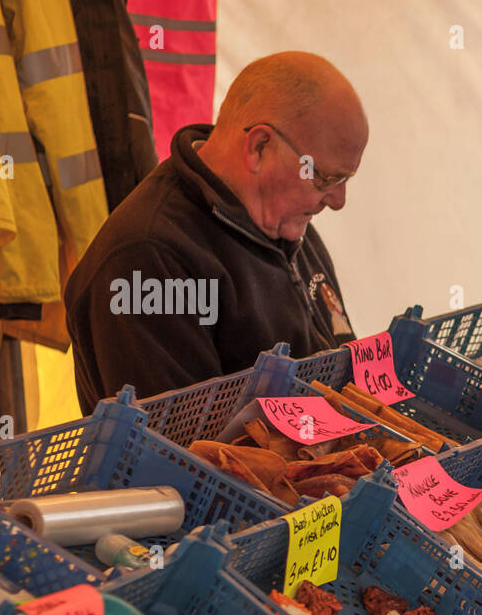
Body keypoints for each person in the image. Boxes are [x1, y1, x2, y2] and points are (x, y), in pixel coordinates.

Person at [65, 51, 366, 414]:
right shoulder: (146, 261)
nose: (338, 201)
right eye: (326, 178)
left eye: (346, 179)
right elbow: (182, 457)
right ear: (259, 147)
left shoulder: (289, 220)